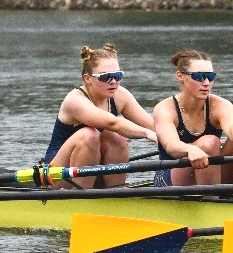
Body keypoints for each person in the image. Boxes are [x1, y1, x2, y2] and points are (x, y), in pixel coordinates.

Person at [44, 43, 159, 188]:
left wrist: (186, 145)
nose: (113, 82)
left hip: (92, 171)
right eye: (106, 77)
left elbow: (154, 126)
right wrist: (146, 134)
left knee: (116, 137)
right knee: (89, 135)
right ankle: (80, 198)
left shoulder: (120, 95)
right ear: (87, 78)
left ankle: (115, 193)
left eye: (117, 75)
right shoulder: (75, 100)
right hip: (56, 176)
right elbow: (113, 123)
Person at [151, 49, 233, 188]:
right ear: (180, 76)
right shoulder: (165, 109)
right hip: (172, 177)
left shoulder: (220, 105)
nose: (206, 82)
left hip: (209, 172)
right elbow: (171, 145)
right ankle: (211, 201)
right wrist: (190, 150)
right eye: (199, 76)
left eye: (210, 76)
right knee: (210, 143)